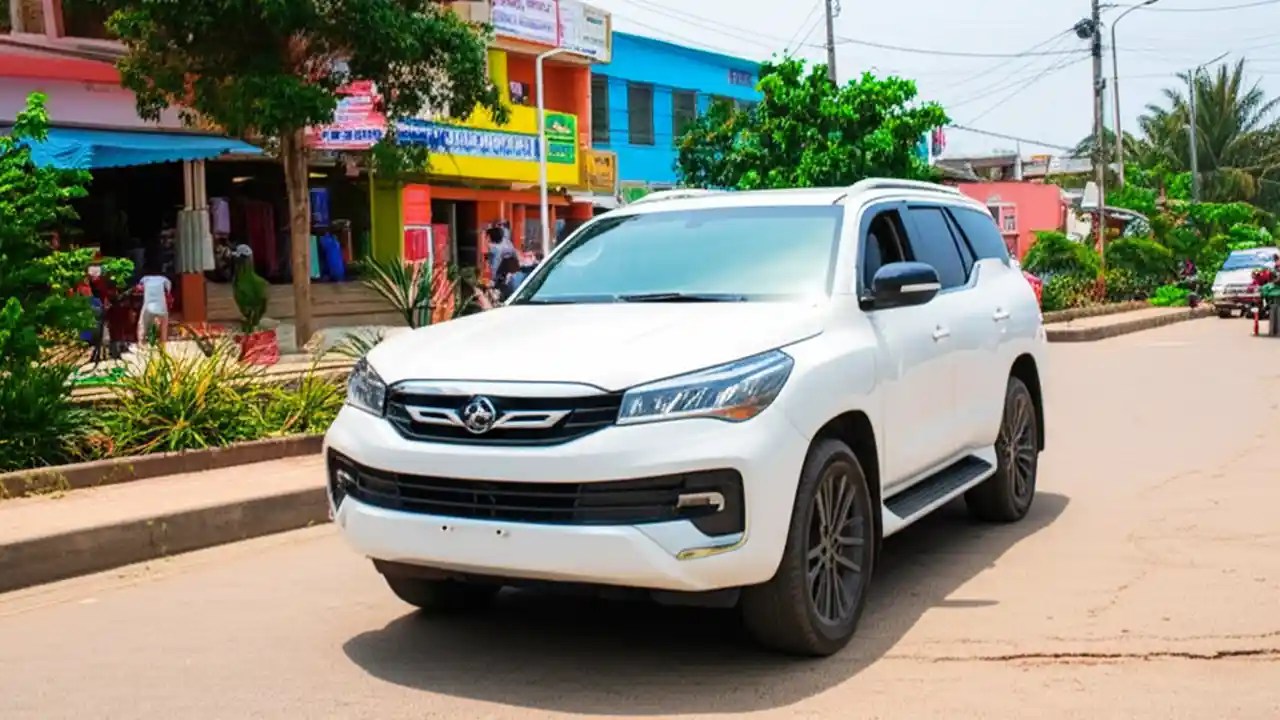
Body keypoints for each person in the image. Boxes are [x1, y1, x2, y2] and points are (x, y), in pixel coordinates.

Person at [136, 263, 172, 348]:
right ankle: (163, 343)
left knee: (142, 324)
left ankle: (141, 342)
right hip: (161, 307)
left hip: (148, 307)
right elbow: (169, 291)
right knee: (164, 324)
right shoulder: (164, 279)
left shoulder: (144, 279)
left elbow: (138, 288)